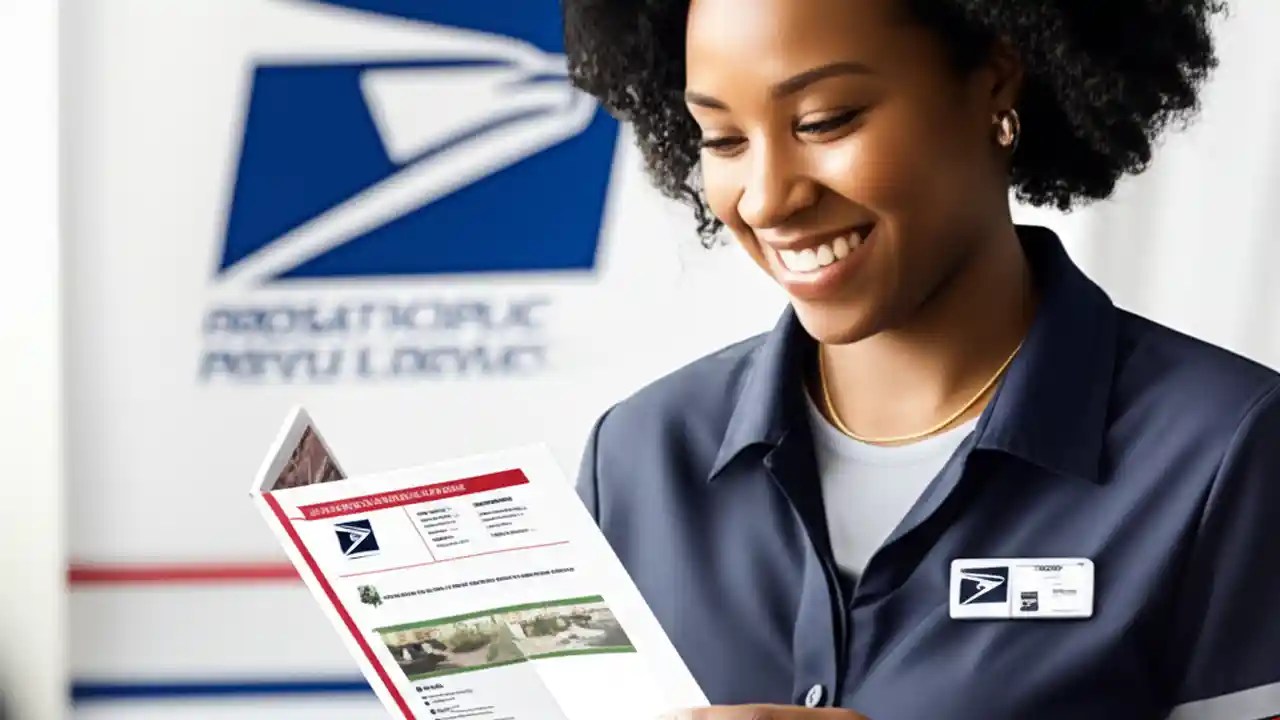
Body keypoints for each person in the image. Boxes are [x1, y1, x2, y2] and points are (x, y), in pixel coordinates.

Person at [562, 0, 1280, 719]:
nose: (768, 197)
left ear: (996, 82)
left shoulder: (1224, 452)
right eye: (722, 139)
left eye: (825, 121)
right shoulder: (636, 459)